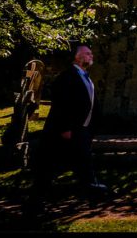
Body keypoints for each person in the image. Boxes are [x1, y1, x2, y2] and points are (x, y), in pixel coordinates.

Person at [32, 44, 108, 198]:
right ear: (77, 57)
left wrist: (92, 127)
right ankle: (38, 194)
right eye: (87, 53)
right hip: (68, 129)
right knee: (54, 162)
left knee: (84, 159)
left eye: (91, 53)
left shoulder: (86, 77)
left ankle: (91, 187)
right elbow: (62, 104)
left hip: (82, 129)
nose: (91, 56)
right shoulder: (67, 77)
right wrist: (65, 128)